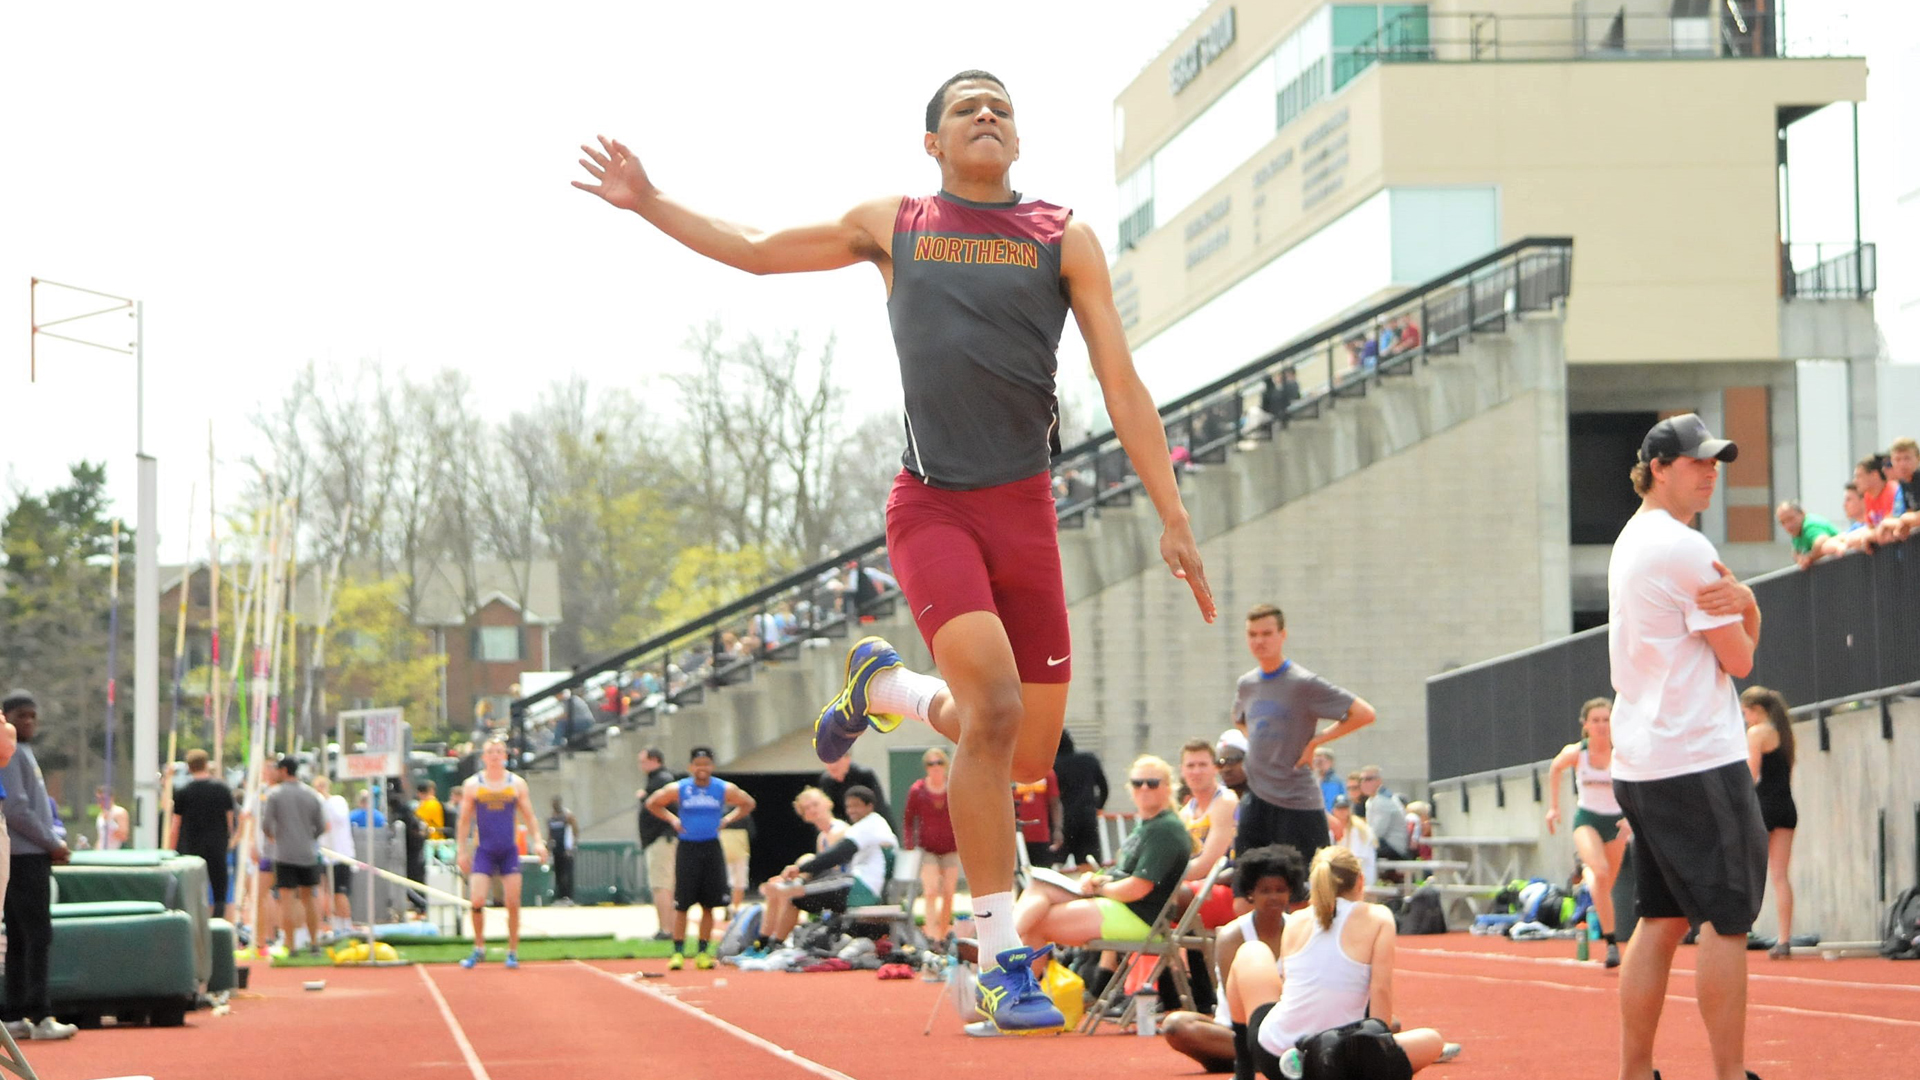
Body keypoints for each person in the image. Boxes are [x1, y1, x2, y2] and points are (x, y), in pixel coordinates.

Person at [575, 69, 1215, 1032]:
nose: (988, 115)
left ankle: (890, 691)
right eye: (967, 107)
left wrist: (1172, 512)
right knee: (995, 710)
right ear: (934, 142)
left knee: (1025, 754)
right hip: (936, 510)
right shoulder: (898, 222)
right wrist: (650, 200)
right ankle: (1004, 962)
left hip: (1026, 515)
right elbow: (755, 251)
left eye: (1001, 105)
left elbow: (1119, 381)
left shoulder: (1064, 237)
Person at [1608, 413, 1765, 1080]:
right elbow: (1741, 659)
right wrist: (1751, 604)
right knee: (1727, 922)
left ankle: (1636, 1070)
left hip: (1642, 758)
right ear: (1659, 467)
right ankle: (1729, 1075)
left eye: (1715, 462)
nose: (1710, 472)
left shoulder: (1632, 539)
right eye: (1698, 461)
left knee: (1661, 918)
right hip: (1697, 756)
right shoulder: (1684, 547)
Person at [1228, 846, 1457, 1079]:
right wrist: (1380, 1053)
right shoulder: (1378, 917)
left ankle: (1243, 1069)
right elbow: (1381, 990)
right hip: (1342, 1059)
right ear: (1360, 881)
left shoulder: (1296, 921)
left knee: (1252, 951)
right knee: (1432, 1040)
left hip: (1278, 1059)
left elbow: (1294, 990)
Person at [1009, 755, 1189, 999]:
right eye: (1138, 783)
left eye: (1152, 783)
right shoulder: (1148, 825)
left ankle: (1009, 983)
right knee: (1038, 887)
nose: (1144, 788)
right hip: (1123, 907)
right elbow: (1123, 876)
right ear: (1130, 789)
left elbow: (1137, 888)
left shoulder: (1164, 829)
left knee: (1037, 920)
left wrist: (1099, 888)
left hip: (1141, 917)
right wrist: (1098, 880)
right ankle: (1012, 982)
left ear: (1168, 788)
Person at [1233, 604, 1375, 864]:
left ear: (1282, 635)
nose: (1259, 641)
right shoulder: (1247, 685)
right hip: (1257, 797)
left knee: (1307, 891)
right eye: (1252, 634)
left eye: (1266, 633)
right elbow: (1240, 720)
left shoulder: (1303, 683)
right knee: (1247, 887)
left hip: (1296, 801)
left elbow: (1364, 713)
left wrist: (1316, 742)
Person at [1161, 845, 1309, 1077]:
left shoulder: (1301, 930)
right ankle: (1257, 1057)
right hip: (1238, 1030)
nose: (1273, 897)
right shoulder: (1232, 936)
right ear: (1250, 893)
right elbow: (1236, 1000)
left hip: (1286, 1029)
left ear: (1290, 891)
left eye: (1280, 890)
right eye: (1265, 890)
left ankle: (1241, 1057)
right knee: (1176, 1026)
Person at [0, 690, 76, 1042]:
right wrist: (53, 843)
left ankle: (14, 1014)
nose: (28, 722)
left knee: (17, 936)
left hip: (23, 854)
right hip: (25, 856)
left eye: (32, 716)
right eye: (20, 716)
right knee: (37, 935)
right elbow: (17, 809)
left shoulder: (23, 752)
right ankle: (41, 1013)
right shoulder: (11, 753)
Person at [645, 747, 756, 970]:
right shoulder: (682, 788)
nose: (702, 768)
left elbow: (748, 803)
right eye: (698, 764)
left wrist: (727, 820)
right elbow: (653, 802)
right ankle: (678, 953)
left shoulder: (721, 788)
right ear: (691, 767)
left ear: (711, 767)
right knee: (682, 904)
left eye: (706, 764)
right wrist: (673, 820)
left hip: (711, 847)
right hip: (687, 847)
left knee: (709, 904)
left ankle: (703, 953)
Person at [1545, 697, 1631, 968]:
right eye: (1595, 720)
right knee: (1601, 872)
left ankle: (1590, 878)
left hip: (1617, 823)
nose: (1601, 725)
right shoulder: (1577, 753)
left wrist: (1632, 817)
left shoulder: (1623, 752)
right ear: (1585, 725)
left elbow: (1640, 784)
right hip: (1588, 819)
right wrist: (1553, 808)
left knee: (1606, 885)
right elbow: (1555, 768)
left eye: (1606, 720)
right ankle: (1612, 943)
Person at [456, 738, 547, 969]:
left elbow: (529, 815)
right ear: (484, 757)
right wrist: (461, 851)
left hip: (508, 849)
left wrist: (538, 841)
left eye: (499, 752)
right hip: (484, 850)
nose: (495, 756)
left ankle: (512, 951)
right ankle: (479, 947)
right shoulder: (473, 785)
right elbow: (465, 820)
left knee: (513, 901)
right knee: (476, 899)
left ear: (505, 756)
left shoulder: (516, 783)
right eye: (490, 752)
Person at [752, 787, 851, 952]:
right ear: (803, 815)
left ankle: (771, 944)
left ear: (828, 803)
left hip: (845, 887)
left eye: (815, 804)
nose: (812, 810)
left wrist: (796, 877)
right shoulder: (823, 837)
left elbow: (831, 869)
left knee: (793, 886)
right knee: (779, 889)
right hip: (831, 882)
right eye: (806, 808)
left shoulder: (838, 831)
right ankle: (764, 941)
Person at [1741, 686, 1797, 961]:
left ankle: (1740, 929)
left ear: (1756, 710)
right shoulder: (1784, 734)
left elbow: (1752, 774)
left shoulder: (1756, 733)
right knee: (1779, 876)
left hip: (1764, 808)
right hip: (1786, 807)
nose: (1745, 718)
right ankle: (1784, 939)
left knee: (1747, 870)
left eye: (1746, 712)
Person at [260, 755, 327, 955]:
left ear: (284, 771)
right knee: (309, 899)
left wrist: (274, 836)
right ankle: (314, 942)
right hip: (307, 853)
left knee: (287, 900)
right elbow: (321, 826)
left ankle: (291, 944)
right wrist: (309, 837)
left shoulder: (275, 794)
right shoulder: (311, 794)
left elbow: (266, 825)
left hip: (284, 854)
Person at [169, 748, 236, 920]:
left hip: (191, 846)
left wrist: (171, 849)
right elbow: (230, 821)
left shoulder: (183, 791)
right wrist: (228, 840)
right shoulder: (222, 789)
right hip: (217, 845)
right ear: (206, 764)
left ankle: (195, 921)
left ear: (189, 767)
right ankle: (218, 922)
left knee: (194, 889)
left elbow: (175, 825)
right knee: (219, 887)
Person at [903, 747, 960, 942]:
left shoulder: (953, 786)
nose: (935, 767)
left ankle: (944, 934)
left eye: (939, 763)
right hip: (927, 848)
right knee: (930, 891)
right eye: (931, 764)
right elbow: (909, 820)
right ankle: (932, 936)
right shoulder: (917, 790)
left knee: (949, 892)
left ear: (945, 765)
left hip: (951, 847)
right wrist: (910, 845)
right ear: (926, 767)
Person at [636, 747, 678, 941]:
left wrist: (645, 797)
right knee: (664, 884)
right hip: (659, 839)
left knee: (662, 885)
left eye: (643, 761)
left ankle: (666, 929)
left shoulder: (662, 780)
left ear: (655, 760)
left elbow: (662, 806)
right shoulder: (657, 780)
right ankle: (669, 928)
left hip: (661, 839)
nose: (641, 766)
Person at [1052, 730, 1109, 870]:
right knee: (1089, 864)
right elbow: (1104, 788)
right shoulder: (1089, 759)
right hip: (1087, 817)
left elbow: (1052, 797)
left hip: (1064, 821)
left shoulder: (1053, 766)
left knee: (1056, 865)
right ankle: (1090, 890)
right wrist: (1098, 806)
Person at [313, 776, 357, 936]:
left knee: (340, 892)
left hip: (341, 854)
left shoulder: (338, 802)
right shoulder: (317, 803)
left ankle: (346, 924)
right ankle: (331, 923)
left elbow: (338, 819)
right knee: (325, 890)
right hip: (325, 855)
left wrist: (325, 798)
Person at [816, 754, 891, 828]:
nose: (832, 766)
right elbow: (829, 810)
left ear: (847, 759)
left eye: (836, 761)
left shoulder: (864, 775)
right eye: (828, 762)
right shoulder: (826, 781)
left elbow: (878, 805)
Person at [1011, 768, 1061, 870]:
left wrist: (1057, 829)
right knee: (1019, 873)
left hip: (1040, 835)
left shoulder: (1046, 772)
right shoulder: (1010, 772)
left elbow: (1054, 803)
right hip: (1015, 836)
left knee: (1043, 873)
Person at [1357, 767, 1411, 861]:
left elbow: (1377, 833)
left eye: (1368, 779)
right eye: (1361, 780)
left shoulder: (1382, 801)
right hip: (1383, 844)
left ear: (1379, 781)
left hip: (1394, 848)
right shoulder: (1372, 800)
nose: (1363, 783)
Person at [1326, 795, 1375, 886]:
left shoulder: (1359, 830)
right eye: (1339, 808)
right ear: (1333, 810)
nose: (1342, 811)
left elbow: (1356, 858)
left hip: (1359, 875)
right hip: (1338, 874)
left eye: (1345, 808)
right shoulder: (1330, 831)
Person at [1774, 501, 1839, 570]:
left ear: (1802, 513)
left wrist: (1809, 558)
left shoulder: (1810, 526)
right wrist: (1800, 558)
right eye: (1783, 522)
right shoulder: (1797, 530)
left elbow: (1823, 542)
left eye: (1791, 519)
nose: (1788, 526)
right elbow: (1796, 551)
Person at [721, 806, 754, 914]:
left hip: (725, 847)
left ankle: (729, 905)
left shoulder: (719, 811)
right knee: (739, 881)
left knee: (727, 880)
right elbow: (752, 832)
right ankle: (734, 907)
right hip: (739, 849)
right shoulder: (744, 813)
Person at [549, 795, 579, 906]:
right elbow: (550, 834)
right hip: (556, 849)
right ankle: (560, 896)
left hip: (566, 849)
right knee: (558, 874)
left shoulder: (567, 816)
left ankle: (568, 897)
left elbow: (575, 831)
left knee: (567, 874)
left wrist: (572, 846)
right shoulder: (552, 817)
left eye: (556, 803)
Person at [1216, 729, 1251, 804]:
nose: (1226, 769)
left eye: (1232, 760)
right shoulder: (1215, 801)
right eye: (1220, 763)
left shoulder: (1267, 798)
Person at [95, 785, 130, 851]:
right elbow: (100, 838)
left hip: (115, 853)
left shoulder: (119, 812)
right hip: (101, 853)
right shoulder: (100, 815)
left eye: (103, 799)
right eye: (98, 799)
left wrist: (109, 822)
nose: (100, 802)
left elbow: (123, 836)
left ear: (111, 798)